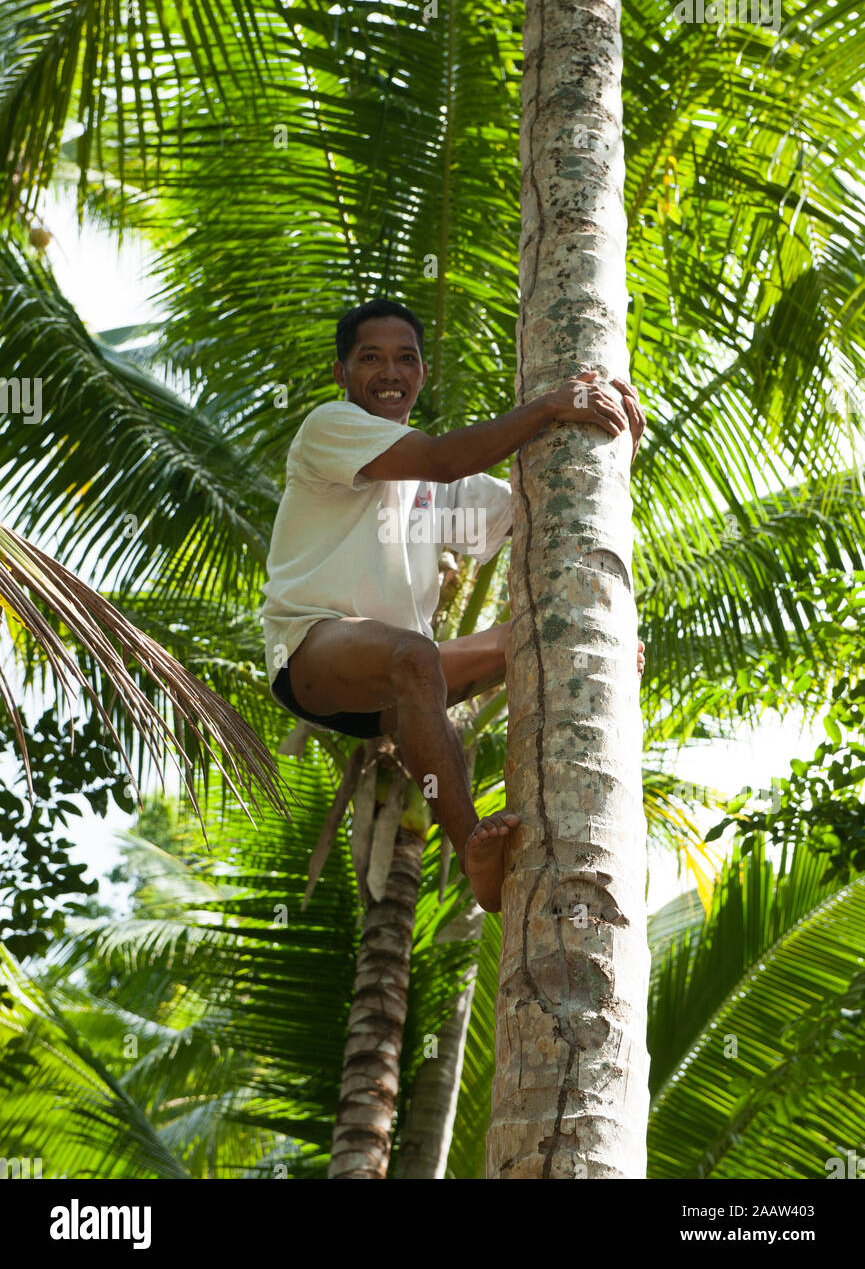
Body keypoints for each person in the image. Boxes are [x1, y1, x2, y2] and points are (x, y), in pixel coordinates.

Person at [261, 299, 646, 912]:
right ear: (341, 374)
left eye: (406, 359)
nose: (391, 372)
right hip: (310, 652)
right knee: (415, 656)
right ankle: (473, 850)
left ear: (422, 373)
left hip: (401, 688)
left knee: (543, 633)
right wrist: (551, 404)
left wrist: (612, 450)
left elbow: (538, 510)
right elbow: (442, 458)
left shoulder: (442, 492)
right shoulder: (329, 428)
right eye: (371, 359)